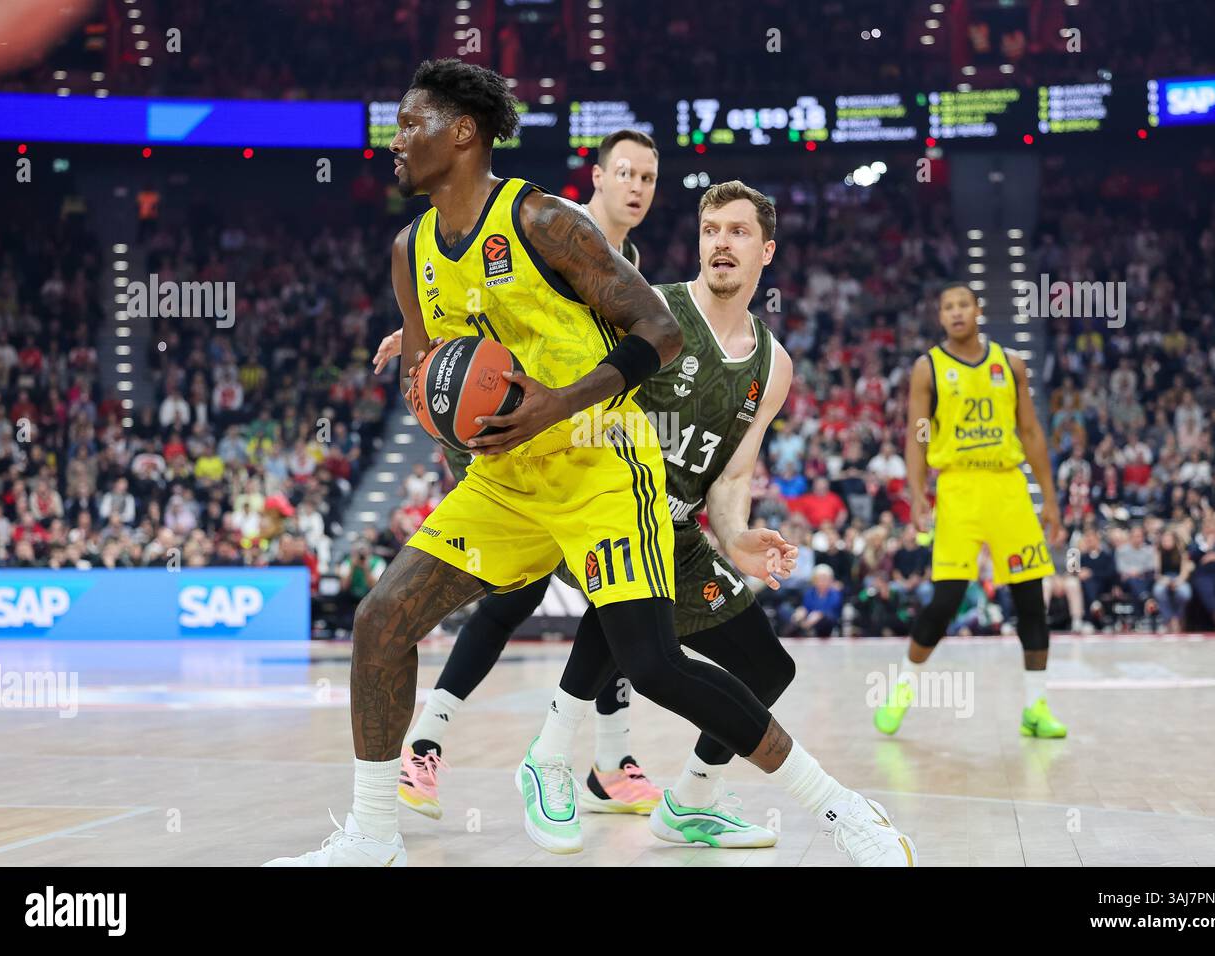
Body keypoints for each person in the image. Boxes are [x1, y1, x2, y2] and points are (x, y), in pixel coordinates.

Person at [267, 61, 912, 867]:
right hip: (506, 480)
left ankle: (842, 810)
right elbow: (428, 369)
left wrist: (555, 403)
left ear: (462, 132)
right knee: (379, 619)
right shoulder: (410, 250)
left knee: (653, 666)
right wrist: (432, 404)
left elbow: (658, 331)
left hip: (603, 466)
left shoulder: (543, 219)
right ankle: (370, 837)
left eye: (409, 124)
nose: (393, 141)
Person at [373, 128, 669, 816]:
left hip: (581, 443)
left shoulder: (629, 258)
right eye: (624, 171)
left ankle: (598, 756)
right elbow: (474, 298)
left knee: (584, 600)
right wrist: (421, 342)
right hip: (509, 440)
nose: (636, 186)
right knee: (545, 596)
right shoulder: (556, 228)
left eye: (649, 178)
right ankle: (449, 745)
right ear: (595, 176)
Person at [874, 283, 1067, 739]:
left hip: (1007, 487)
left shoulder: (1011, 363)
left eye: (964, 304)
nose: (957, 313)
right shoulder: (928, 368)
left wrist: (1051, 500)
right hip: (958, 487)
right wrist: (917, 492)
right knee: (945, 600)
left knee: (1030, 598)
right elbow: (918, 434)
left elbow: (1033, 433)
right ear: (940, 317)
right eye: (948, 307)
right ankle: (902, 688)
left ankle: (1035, 707)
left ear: (978, 310)